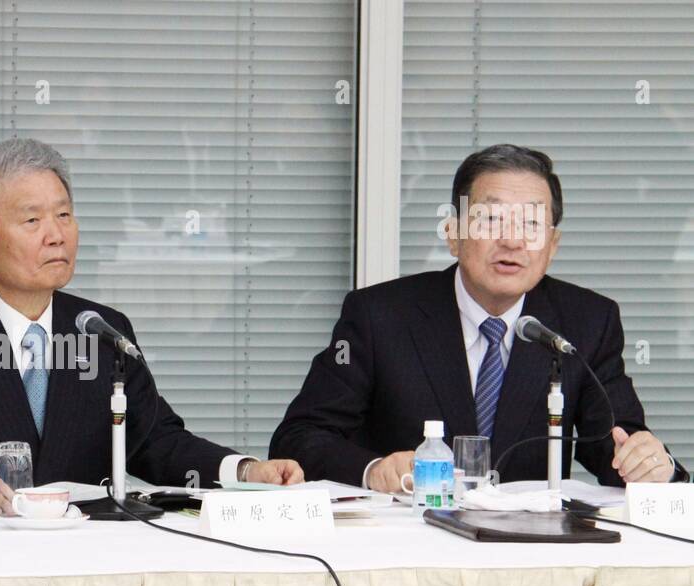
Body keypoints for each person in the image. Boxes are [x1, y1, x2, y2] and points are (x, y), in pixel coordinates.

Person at [0, 138, 303, 497]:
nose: (56, 234)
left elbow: (155, 441)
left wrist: (245, 471)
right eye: (32, 219)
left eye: (63, 215)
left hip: (88, 556)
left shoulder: (100, 331)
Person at [270, 144, 687, 490]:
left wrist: (652, 465)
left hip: (531, 553)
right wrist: (373, 469)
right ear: (452, 234)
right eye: (489, 219)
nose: (511, 239)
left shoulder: (587, 322)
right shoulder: (380, 316)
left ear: (553, 245)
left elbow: (615, 444)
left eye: (531, 224)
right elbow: (299, 438)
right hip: (409, 547)